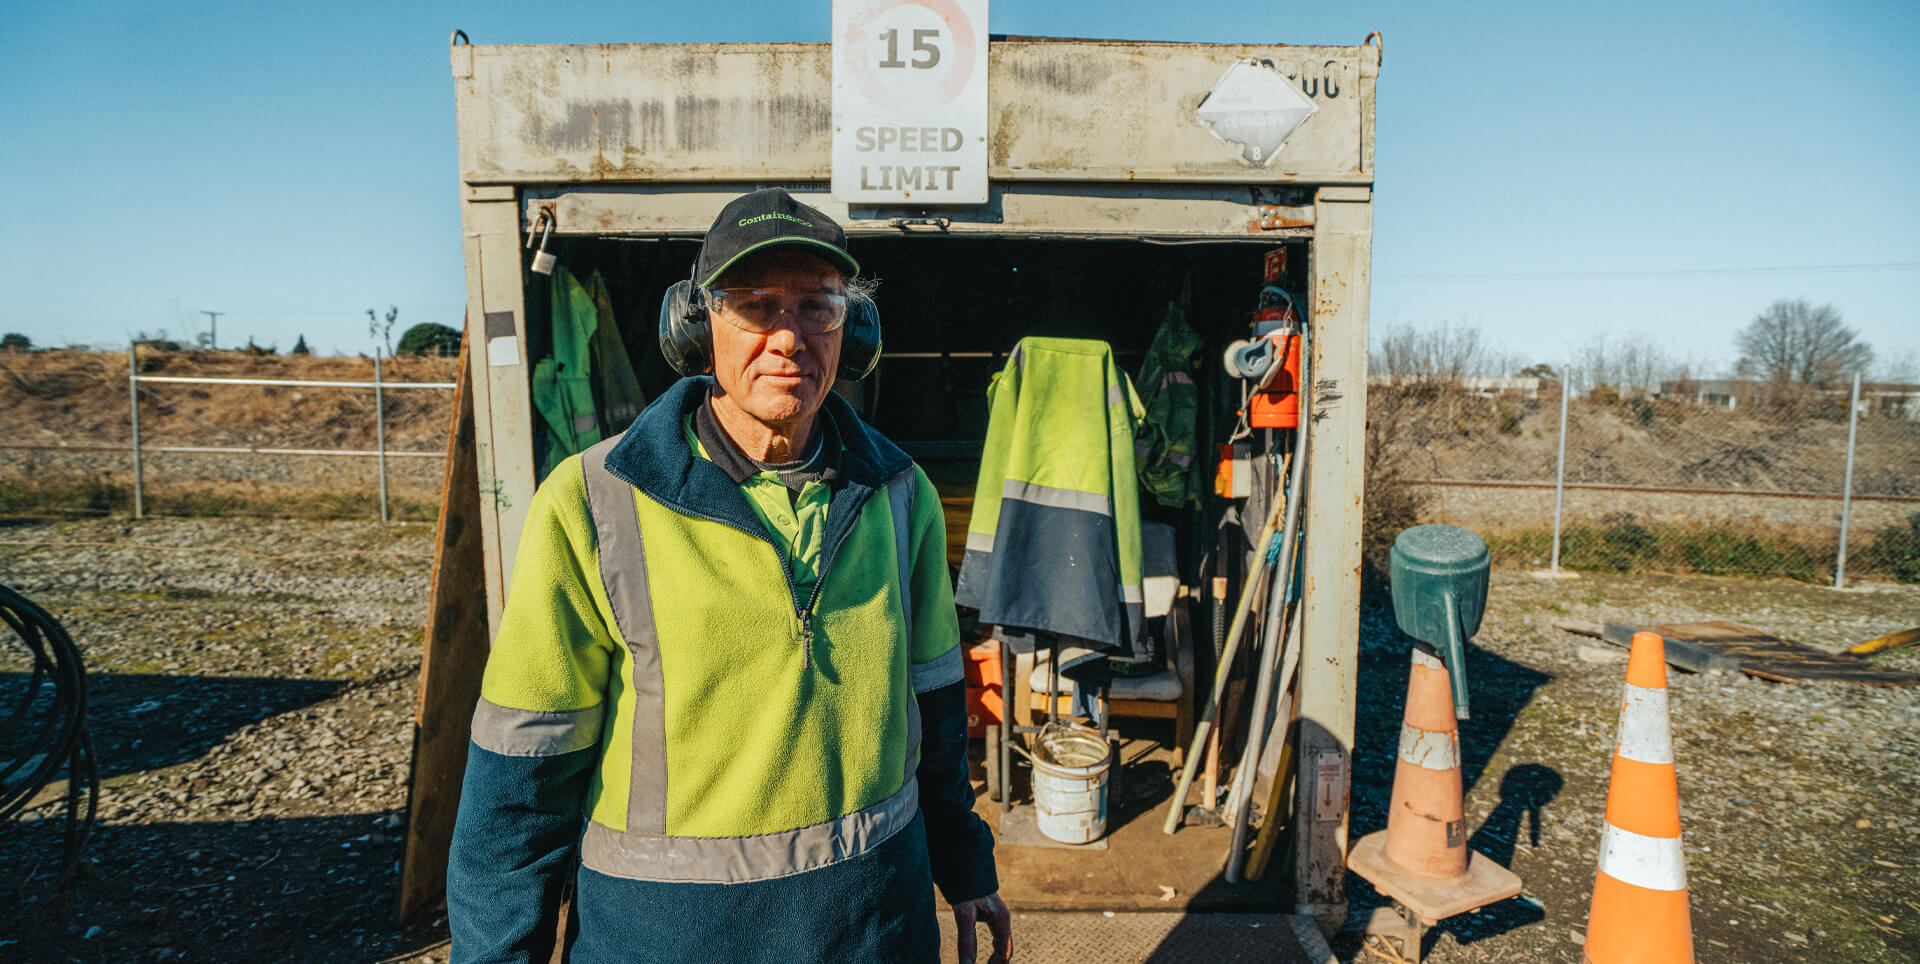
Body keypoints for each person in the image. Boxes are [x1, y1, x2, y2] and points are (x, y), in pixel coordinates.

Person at [447, 188, 1012, 964]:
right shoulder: (592, 502)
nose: (789, 338)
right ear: (695, 325)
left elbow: (936, 712)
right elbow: (520, 777)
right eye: (755, 305)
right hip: (664, 942)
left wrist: (964, 866)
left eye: (818, 306)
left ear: (856, 329)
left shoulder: (899, 492)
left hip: (878, 929)